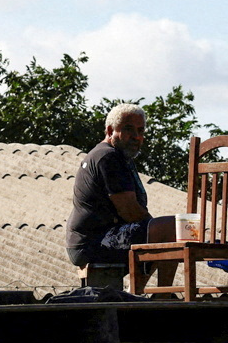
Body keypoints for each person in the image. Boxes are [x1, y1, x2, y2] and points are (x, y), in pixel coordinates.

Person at [66, 102, 175, 290]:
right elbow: (129, 211)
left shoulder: (117, 156)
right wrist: (158, 230)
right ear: (110, 130)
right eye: (128, 129)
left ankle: (142, 292)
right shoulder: (108, 157)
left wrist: (156, 231)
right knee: (171, 228)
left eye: (140, 131)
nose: (136, 136)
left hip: (96, 239)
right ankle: (157, 295)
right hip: (94, 242)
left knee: (168, 232)